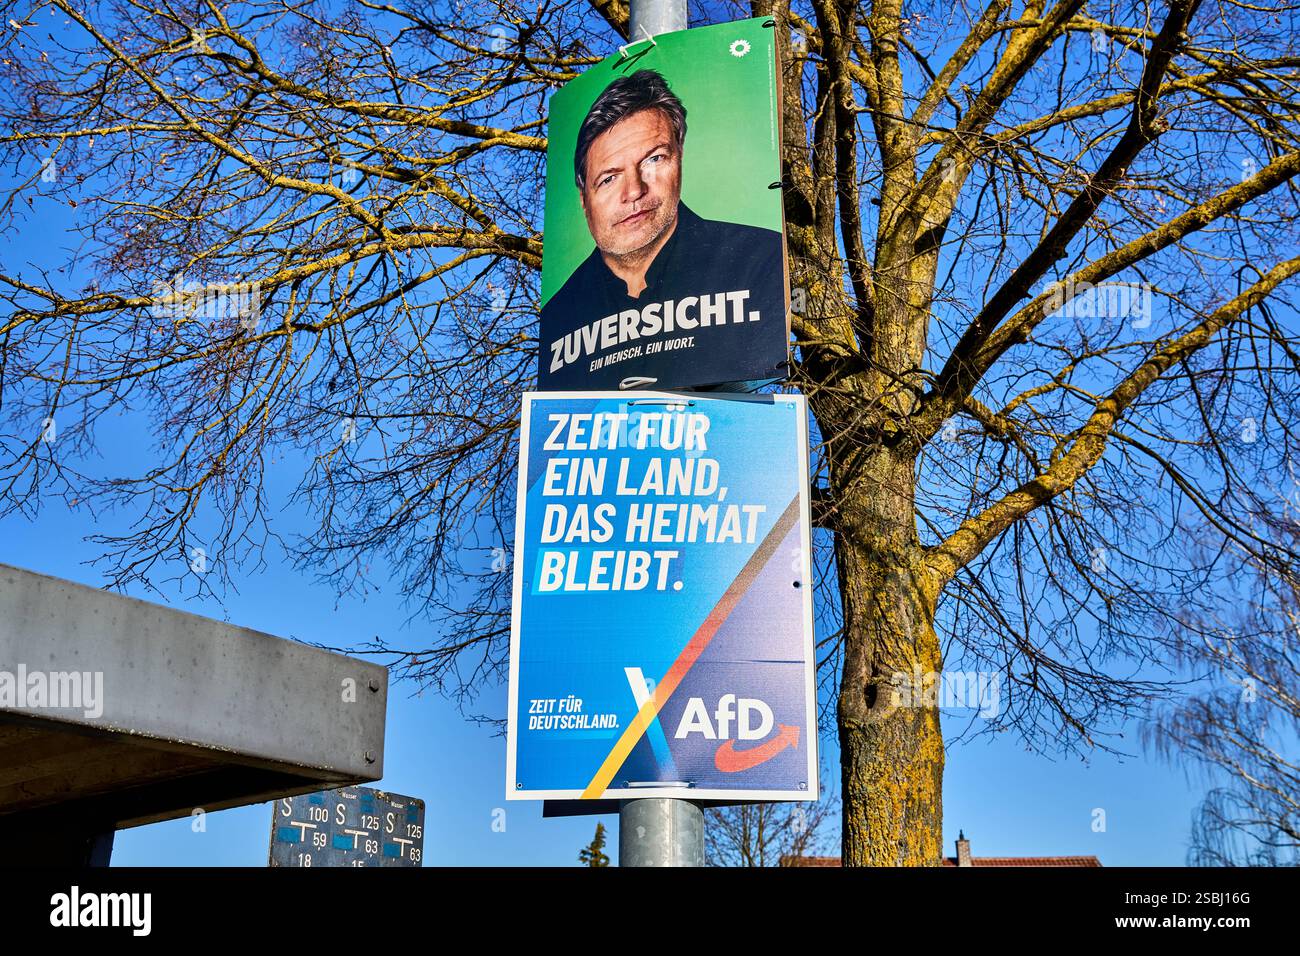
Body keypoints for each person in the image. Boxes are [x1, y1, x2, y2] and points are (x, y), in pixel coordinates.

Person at [539, 69, 787, 390]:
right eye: (609, 178)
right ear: (584, 200)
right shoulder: (560, 315)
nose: (634, 191)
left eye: (653, 159)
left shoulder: (758, 260)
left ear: (680, 159)